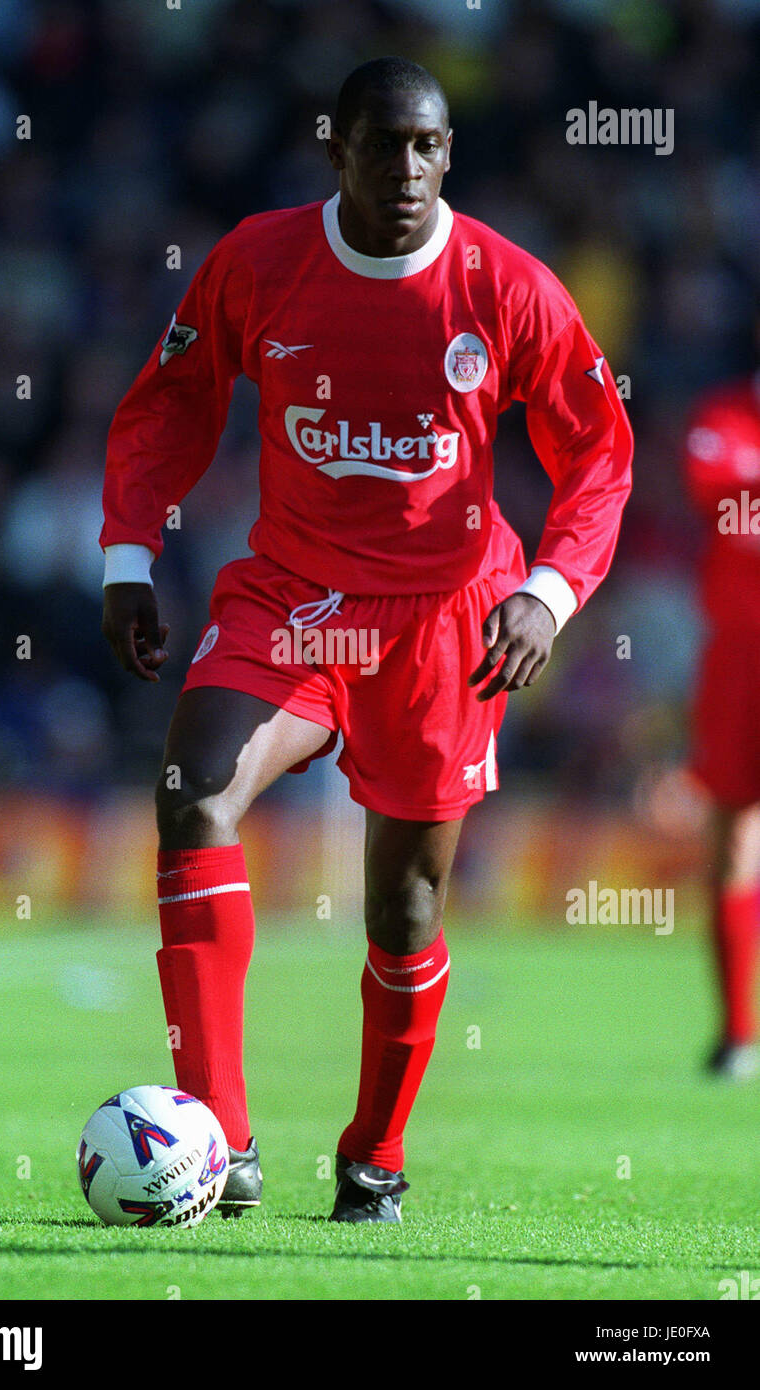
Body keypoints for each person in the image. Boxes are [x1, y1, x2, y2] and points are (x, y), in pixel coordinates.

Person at [100, 57, 633, 1222]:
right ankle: (216, 1141)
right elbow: (169, 404)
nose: (406, 167)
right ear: (333, 148)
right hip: (291, 595)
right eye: (382, 143)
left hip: (445, 618)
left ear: (448, 156)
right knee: (194, 793)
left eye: (427, 146)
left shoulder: (507, 287)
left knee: (403, 909)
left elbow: (596, 450)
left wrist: (546, 590)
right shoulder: (257, 262)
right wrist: (129, 555)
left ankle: (372, 1156)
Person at [684, 356, 760, 1080]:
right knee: (734, 833)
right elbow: (716, 494)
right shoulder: (723, 413)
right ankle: (737, 1033)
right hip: (739, 659)